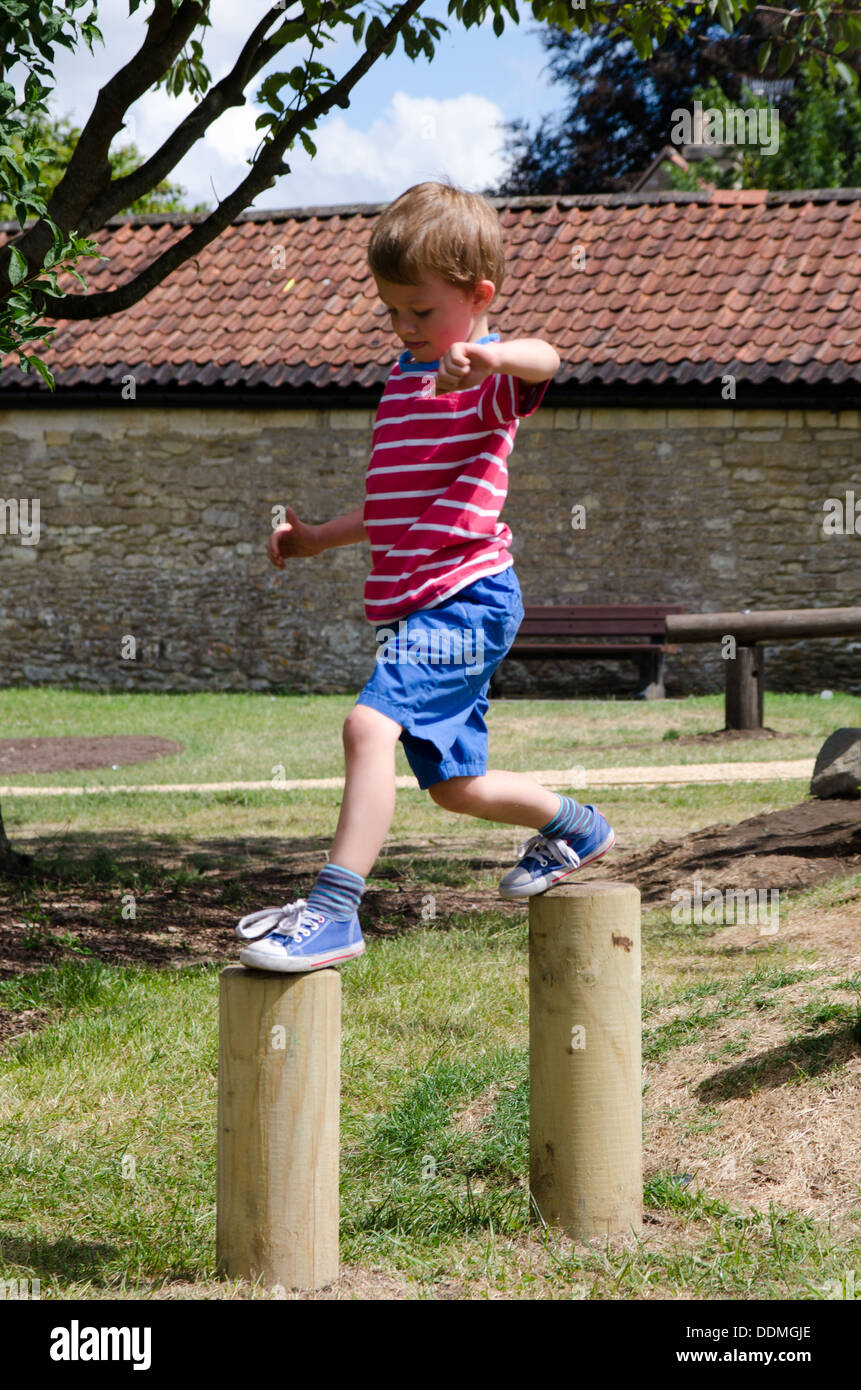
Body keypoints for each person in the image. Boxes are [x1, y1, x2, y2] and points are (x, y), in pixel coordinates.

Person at [236, 182, 614, 971]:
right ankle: (575, 826)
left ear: (477, 298)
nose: (405, 328)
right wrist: (315, 541)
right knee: (454, 786)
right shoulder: (404, 381)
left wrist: (488, 354)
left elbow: (549, 358)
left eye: (420, 311)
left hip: (466, 600)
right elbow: (394, 505)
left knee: (367, 727)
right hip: (423, 609)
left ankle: (336, 911)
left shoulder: (483, 375)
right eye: (393, 313)